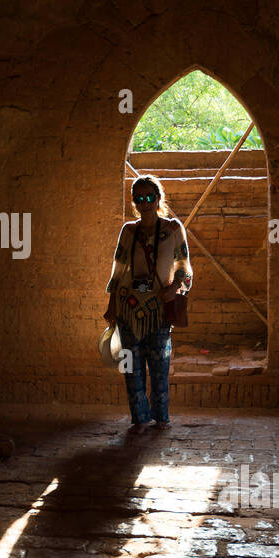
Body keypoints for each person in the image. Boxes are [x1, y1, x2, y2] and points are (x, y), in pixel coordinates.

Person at [104, 175, 193, 428]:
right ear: (134, 202)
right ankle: (139, 419)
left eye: (149, 198)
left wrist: (175, 288)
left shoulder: (172, 229)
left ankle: (161, 419)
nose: (144, 203)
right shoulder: (129, 231)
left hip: (157, 310)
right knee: (132, 370)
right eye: (139, 198)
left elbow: (183, 265)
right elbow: (119, 268)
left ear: (158, 199)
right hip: (128, 309)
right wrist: (112, 304)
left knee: (159, 369)